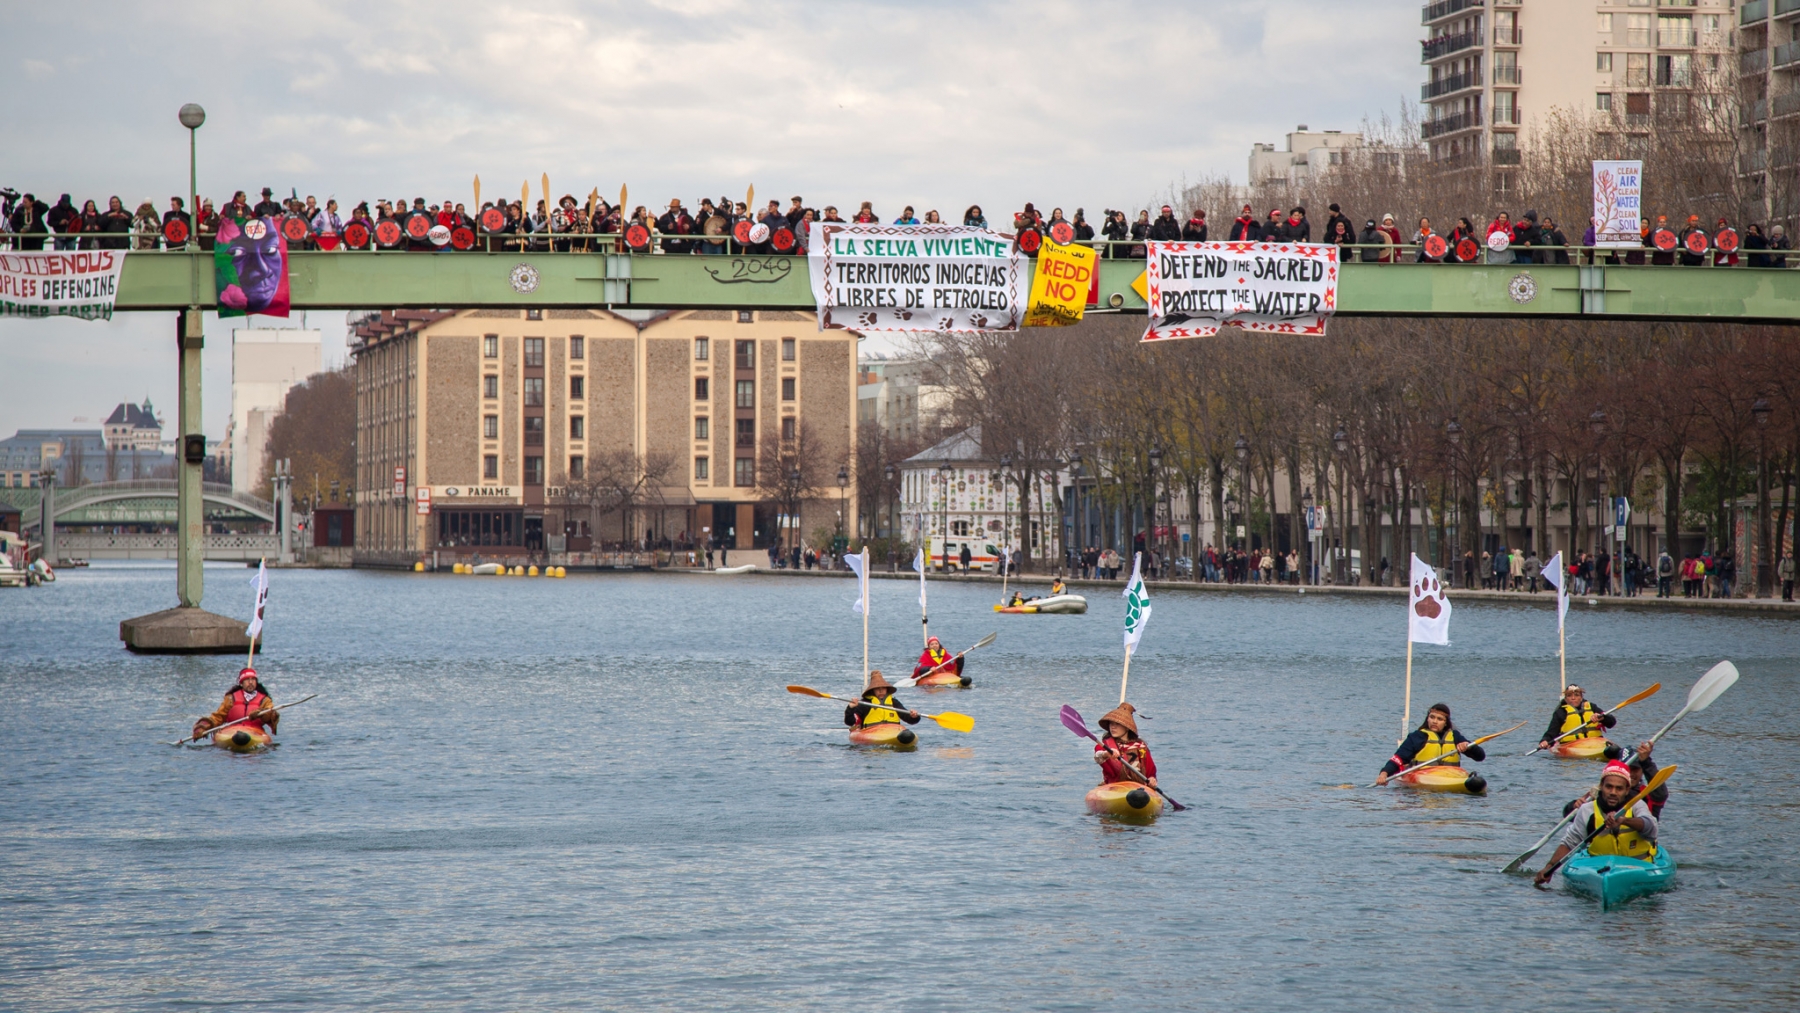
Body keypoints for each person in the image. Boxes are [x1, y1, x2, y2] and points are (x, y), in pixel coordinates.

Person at [1536, 761, 1658, 885]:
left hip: (1638, 867)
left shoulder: (1637, 805)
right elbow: (1570, 843)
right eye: (1608, 787)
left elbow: (1651, 828)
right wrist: (1549, 867)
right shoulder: (1587, 810)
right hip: (1600, 870)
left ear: (1627, 790)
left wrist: (1624, 821)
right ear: (1601, 786)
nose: (1613, 792)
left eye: (1619, 788)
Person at [1375, 702, 1487, 785]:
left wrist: (1467, 746)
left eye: (1439, 719)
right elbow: (1398, 759)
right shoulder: (1417, 737)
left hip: (1452, 775)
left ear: (1446, 723)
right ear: (1427, 719)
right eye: (1432, 717)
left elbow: (1480, 757)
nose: (1434, 721)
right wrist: (1384, 773)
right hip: (1424, 775)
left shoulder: (1455, 736)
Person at [192, 668, 280, 741]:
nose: (250, 682)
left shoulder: (265, 700)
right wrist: (202, 726)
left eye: (253, 679)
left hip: (255, 731)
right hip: (232, 732)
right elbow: (218, 717)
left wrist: (261, 713)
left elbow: (271, 715)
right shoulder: (231, 698)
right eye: (247, 680)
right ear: (241, 683)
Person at [1536, 684, 1616, 751]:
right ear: (1565, 699)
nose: (1573, 698)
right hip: (1572, 745)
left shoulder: (1592, 707)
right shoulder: (1561, 712)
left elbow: (1612, 722)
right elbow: (1551, 733)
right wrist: (1545, 741)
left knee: (1613, 750)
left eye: (1576, 695)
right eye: (1569, 695)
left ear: (1581, 697)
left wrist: (1603, 718)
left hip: (1596, 742)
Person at [1093, 703, 1156, 788]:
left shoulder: (1141, 746)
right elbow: (1098, 756)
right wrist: (1107, 754)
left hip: (1139, 787)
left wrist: (1152, 778)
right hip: (1115, 787)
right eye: (1111, 723)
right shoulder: (1104, 746)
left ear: (1126, 727)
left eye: (1117, 724)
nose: (1113, 727)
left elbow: (1150, 769)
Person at [843, 672, 920, 731]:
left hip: (892, 731)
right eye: (877, 688)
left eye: (883, 688)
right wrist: (850, 708)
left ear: (887, 689)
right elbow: (850, 722)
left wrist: (914, 716)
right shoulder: (865, 703)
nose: (881, 691)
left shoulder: (894, 702)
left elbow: (909, 719)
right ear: (872, 690)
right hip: (872, 732)